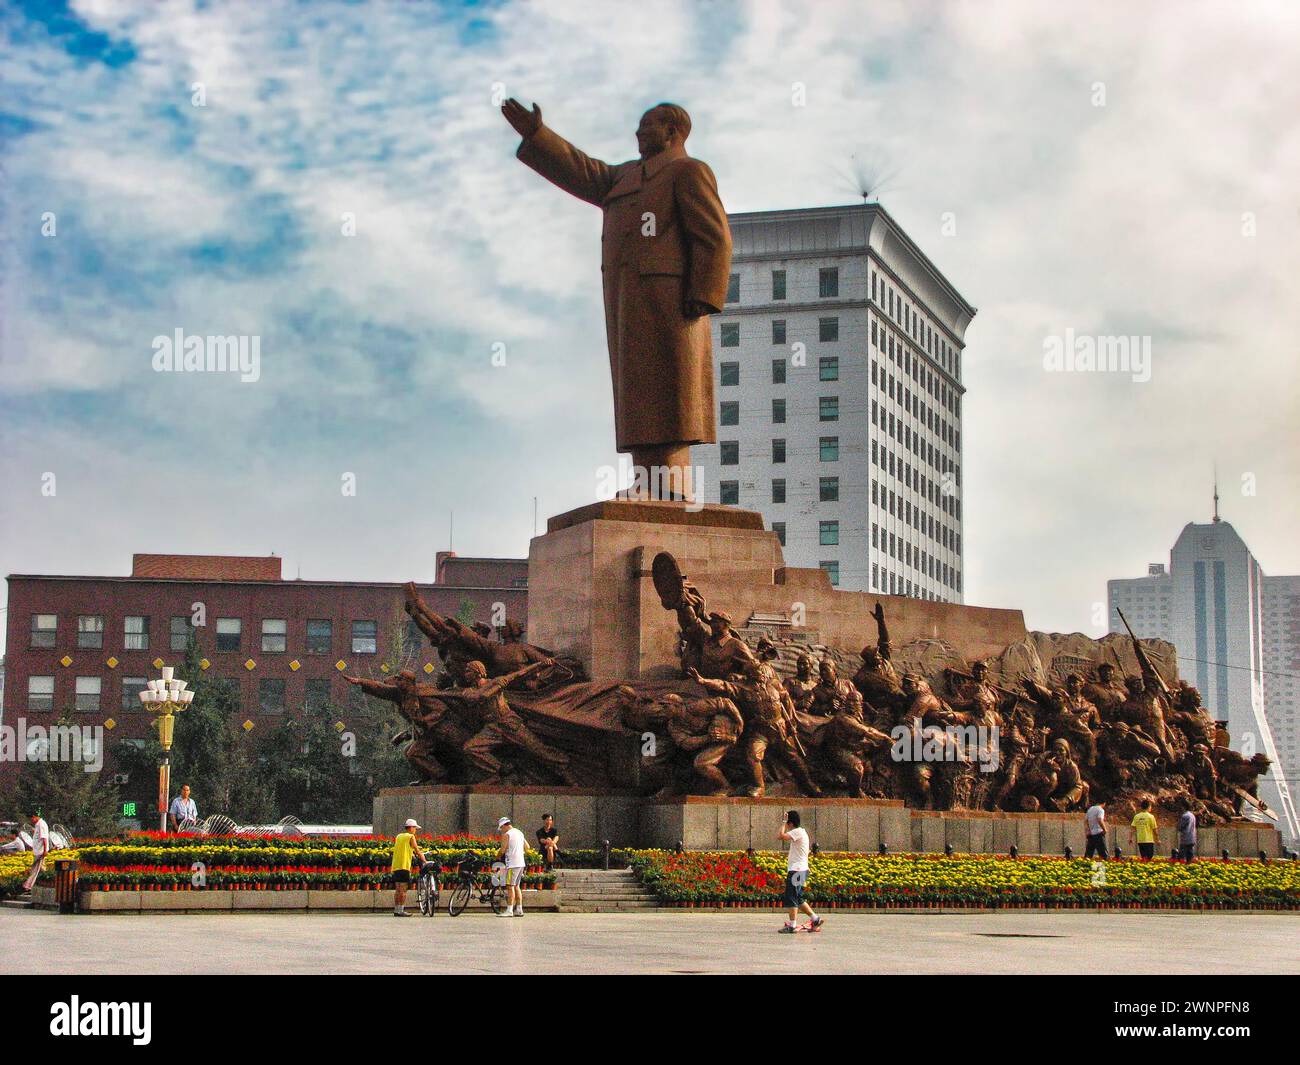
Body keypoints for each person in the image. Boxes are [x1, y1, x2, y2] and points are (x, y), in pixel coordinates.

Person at [777, 810, 822, 934]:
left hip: (797, 870)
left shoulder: (797, 832)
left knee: (791, 897)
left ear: (791, 823)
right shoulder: (802, 832)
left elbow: (780, 836)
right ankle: (815, 919)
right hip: (801, 869)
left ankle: (792, 925)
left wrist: (783, 823)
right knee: (798, 897)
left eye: (788, 824)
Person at [390, 818, 426, 917]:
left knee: (398, 889)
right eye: (415, 828)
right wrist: (425, 861)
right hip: (404, 865)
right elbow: (417, 850)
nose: (415, 830)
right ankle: (401, 910)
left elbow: (405, 849)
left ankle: (396, 909)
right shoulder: (411, 837)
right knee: (403, 889)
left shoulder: (399, 836)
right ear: (410, 828)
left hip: (396, 865)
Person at [497, 816, 528, 917]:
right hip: (521, 863)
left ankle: (509, 910)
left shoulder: (507, 835)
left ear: (504, 825)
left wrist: (497, 857)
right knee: (516, 886)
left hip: (512, 864)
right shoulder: (519, 833)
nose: (501, 830)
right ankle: (519, 909)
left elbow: (502, 850)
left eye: (501, 828)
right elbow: (527, 847)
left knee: (510, 886)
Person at [21, 811, 50, 894]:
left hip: (40, 851)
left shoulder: (41, 824)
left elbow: (44, 838)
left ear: (34, 816)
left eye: (31, 819)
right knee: (41, 869)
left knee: (34, 869)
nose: (31, 821)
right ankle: (46, 882)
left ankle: (28, 886)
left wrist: (44, 851)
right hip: (37, 851)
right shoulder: (38, 825)